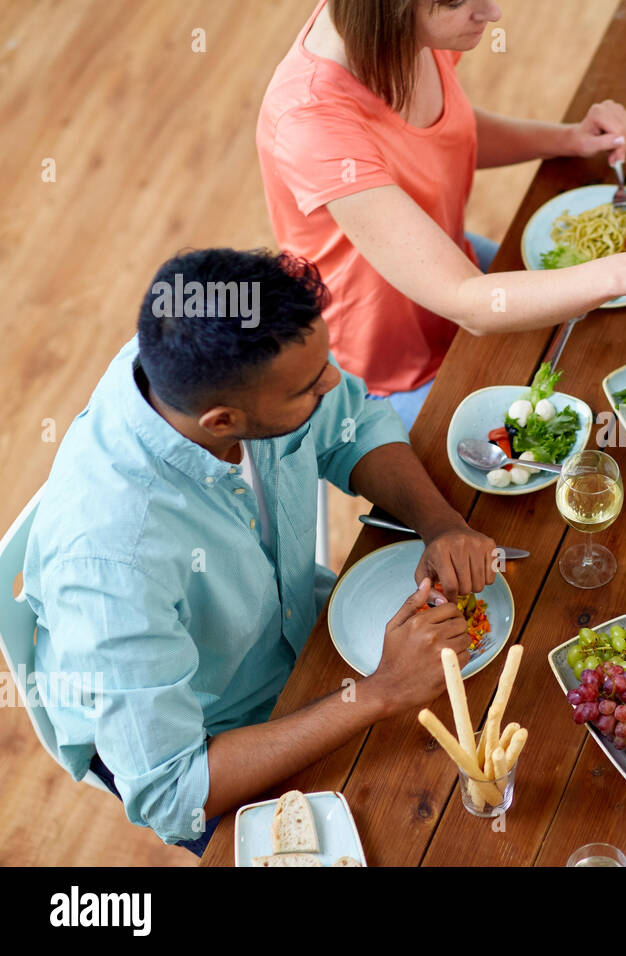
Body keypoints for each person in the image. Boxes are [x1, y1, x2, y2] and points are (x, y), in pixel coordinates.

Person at [24, 248, 499, 853]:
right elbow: (174, 795)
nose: (333, 382)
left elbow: (355, 423)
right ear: (221, 422)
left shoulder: (226, 360)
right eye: (309, 387)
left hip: (309, 636)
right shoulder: (109, 562)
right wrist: (381, 692)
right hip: (220, 740)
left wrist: (440, 524)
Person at [258, 0, 626, 428]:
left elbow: (445, 131)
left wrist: (567, 139)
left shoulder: (403, 28)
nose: (492, 12)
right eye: (457, 2)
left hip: (457, 267)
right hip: (392, 366)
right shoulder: (313, 123)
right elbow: (467, 301)